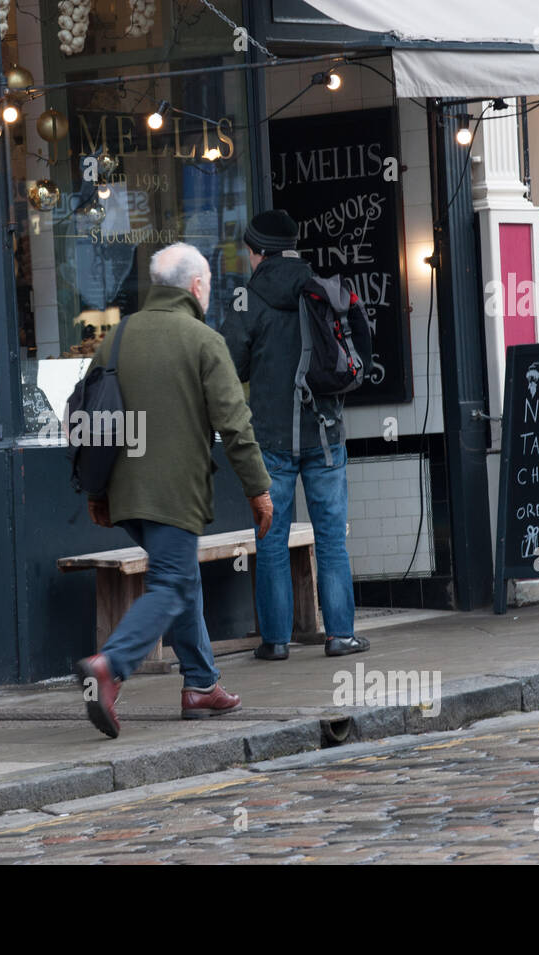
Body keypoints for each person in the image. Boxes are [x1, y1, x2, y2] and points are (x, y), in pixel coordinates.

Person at [74, 243, 274, 739]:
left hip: (125, 494)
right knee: (169, 585)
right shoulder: (204, 340)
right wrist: (259, 489)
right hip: (172, 493)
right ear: (197, 287)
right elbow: (236, 424)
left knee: (183, 580)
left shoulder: (116, 337)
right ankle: (110, 666)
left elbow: (87, 415)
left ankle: (201, 685)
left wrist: (97, 493)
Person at [224, 210, 370, 660]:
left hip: (270, 439)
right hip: (325, 433)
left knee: (270, 541)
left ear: (257, 252)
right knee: (330, 537)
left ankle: (275, 642)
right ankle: (340, 635)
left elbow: (234, 367)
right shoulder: (320, 287)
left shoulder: (248, 300)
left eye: (248, 252)